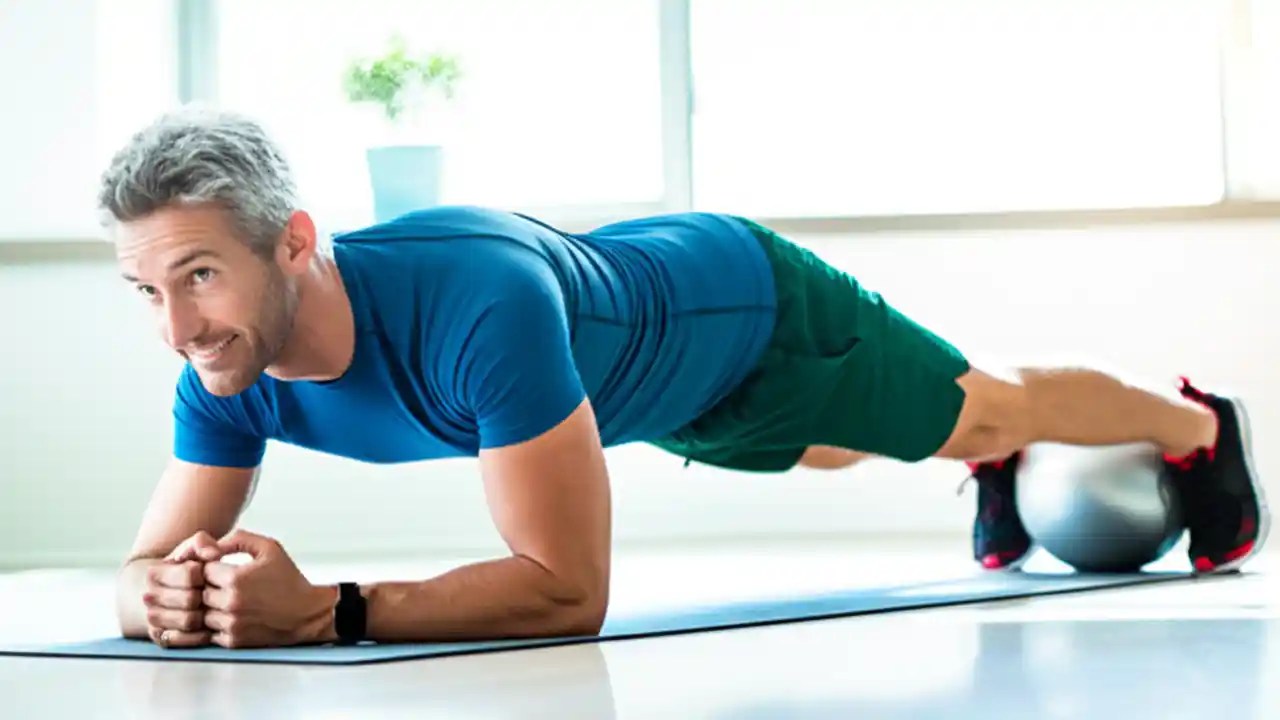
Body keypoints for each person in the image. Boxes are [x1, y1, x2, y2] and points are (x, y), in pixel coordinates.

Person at [100, 106, 1267, 651]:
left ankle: (1196, 423)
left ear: (295, 241)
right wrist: (155, 598)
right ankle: (985, 459)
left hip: (745, 312)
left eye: (199, 275)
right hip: (661, 400)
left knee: (978, 407)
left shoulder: (476, 304)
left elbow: (566, 594)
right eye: (149, 291)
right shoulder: (222, 366)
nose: (178, 328)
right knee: (839, 449)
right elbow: (145, 567)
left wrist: (327, 613)